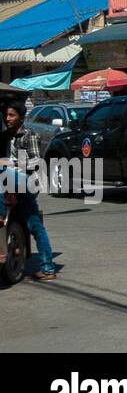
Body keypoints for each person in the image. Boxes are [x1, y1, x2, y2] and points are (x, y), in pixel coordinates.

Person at [0, 100, 57, 279]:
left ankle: (48, 268)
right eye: (6, 115)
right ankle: (47, 266)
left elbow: (35, 162)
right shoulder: (6, 136)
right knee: (34, 225)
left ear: (21, 117)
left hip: (27, 181)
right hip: (10, 182)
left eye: (12, 115)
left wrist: (10, 163)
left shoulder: (28, 135)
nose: (8, 119)